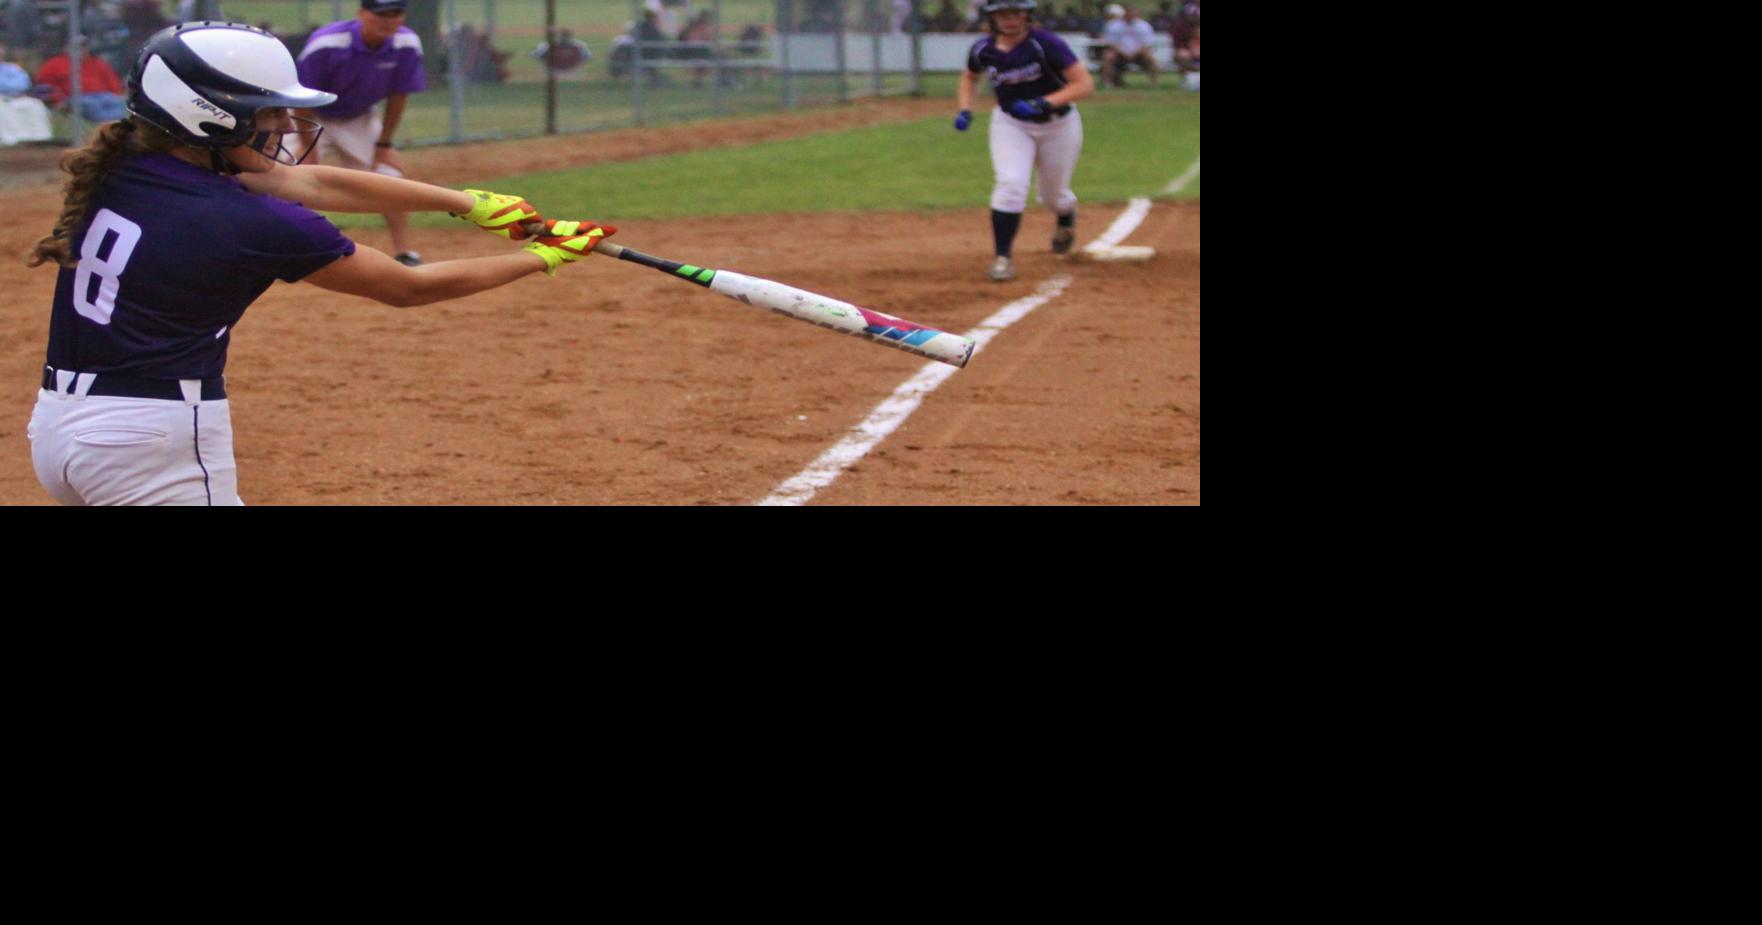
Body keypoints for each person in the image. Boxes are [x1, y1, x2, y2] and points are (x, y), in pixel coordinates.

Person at [23, 21, 612, 506]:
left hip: (59, 429)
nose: (282, 126)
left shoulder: (128, 161)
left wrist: (471, 204)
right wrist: (541, 256)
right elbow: (408, 287)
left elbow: (310, 180)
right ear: (207, 115)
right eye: (267, 112)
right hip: (151, 438)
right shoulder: (252, 222)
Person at [952, 0, 1093, 282]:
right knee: (1011, 184)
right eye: (1002, 14)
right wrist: (965, 109)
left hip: (1058, 125)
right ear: (991, 17)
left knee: (1052, 196)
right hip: (1011, 124)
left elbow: (1083, 84)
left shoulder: (1045, 44)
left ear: (1028, 15)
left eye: (1016, 13)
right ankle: (1002, 258)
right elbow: (970, 77)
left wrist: (1043, 102)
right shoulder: (983, 49)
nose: (1010, 19)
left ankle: (1065, 214)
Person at [293, 0, 427, 267]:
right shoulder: (328, 43)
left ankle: (404, 251)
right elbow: (300, 97)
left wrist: (385, 143)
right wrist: (310, 148)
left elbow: (399, 95)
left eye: (396, 13)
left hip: (359, 117)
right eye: (381, 14)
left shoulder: (406, 44)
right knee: (286, 175)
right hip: (310, 114)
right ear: (362, 14)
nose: (388, 20)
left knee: (391, 178)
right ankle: (288, 249)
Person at [35, 41, 130, 122]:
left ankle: (117, 125)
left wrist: (118, 94)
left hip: (102, 95)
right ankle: (108, 126)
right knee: (91, 105)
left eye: (83, 47)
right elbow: (45, 85)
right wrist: (58, 100)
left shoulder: (97, 62)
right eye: (76, 47)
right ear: (66, 48)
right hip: (75, 97)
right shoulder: (54, 64)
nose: (80, 50)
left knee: (117, 102)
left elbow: (112, 81)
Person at [0, 40, 52, 146]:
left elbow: (24, 83)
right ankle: (11, 140)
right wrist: (9, 86)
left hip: (19, 97)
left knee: (35, 105)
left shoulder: (13, 68)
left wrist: (7, 86)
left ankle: (41, 138)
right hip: (2, 99)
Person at [1099, 3, 1157, 88]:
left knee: (1150, 57)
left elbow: (1147, 43)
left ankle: (1154, 83)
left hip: (1138, 53)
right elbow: (1110, 42)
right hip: (1119, 53)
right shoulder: (1114, 25)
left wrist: (1135, 52)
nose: (1130, 15)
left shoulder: (1144, 26)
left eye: (1132, 13)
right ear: (1124, 14)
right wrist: (1123, 52)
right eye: (1128, 13)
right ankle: (1107, 83)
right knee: (1108, 56)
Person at [1170, 0, 1199, 90]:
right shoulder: (1181, 27)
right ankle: (1185, 81)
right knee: (1183, 56)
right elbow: (1179, 44)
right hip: (1186, 50)